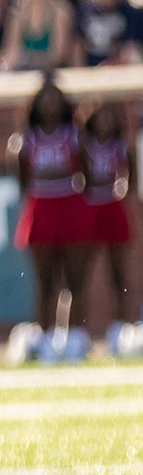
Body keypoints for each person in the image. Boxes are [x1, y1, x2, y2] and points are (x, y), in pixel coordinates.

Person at [13, 79, 92, 363]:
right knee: (45, 282)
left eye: (55, 98)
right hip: (41, 209)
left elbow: (87, 173)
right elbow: (22, 179)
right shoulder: (26, 140)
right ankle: (45, 339)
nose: (50, 105)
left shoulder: (75, 135)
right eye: (44, 99)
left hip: (70, 206)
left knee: (75, 280)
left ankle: (75, 339)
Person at [80, 103, 136, 355]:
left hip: (113, 209)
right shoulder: (84, 145)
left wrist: (121, 188)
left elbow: (130, 179)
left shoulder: (121, 146)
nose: (105, 123)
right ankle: (76, 333)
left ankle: (121, 331)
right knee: (79, 276)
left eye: (110, 118)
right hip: (89, 210)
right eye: (100, 118)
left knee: (119, 275)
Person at [74, 0, 143, 66]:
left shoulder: (130, 14)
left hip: (120, 68)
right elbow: (77, 46)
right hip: (90, 68)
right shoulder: (83, 13)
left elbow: (132, 46)